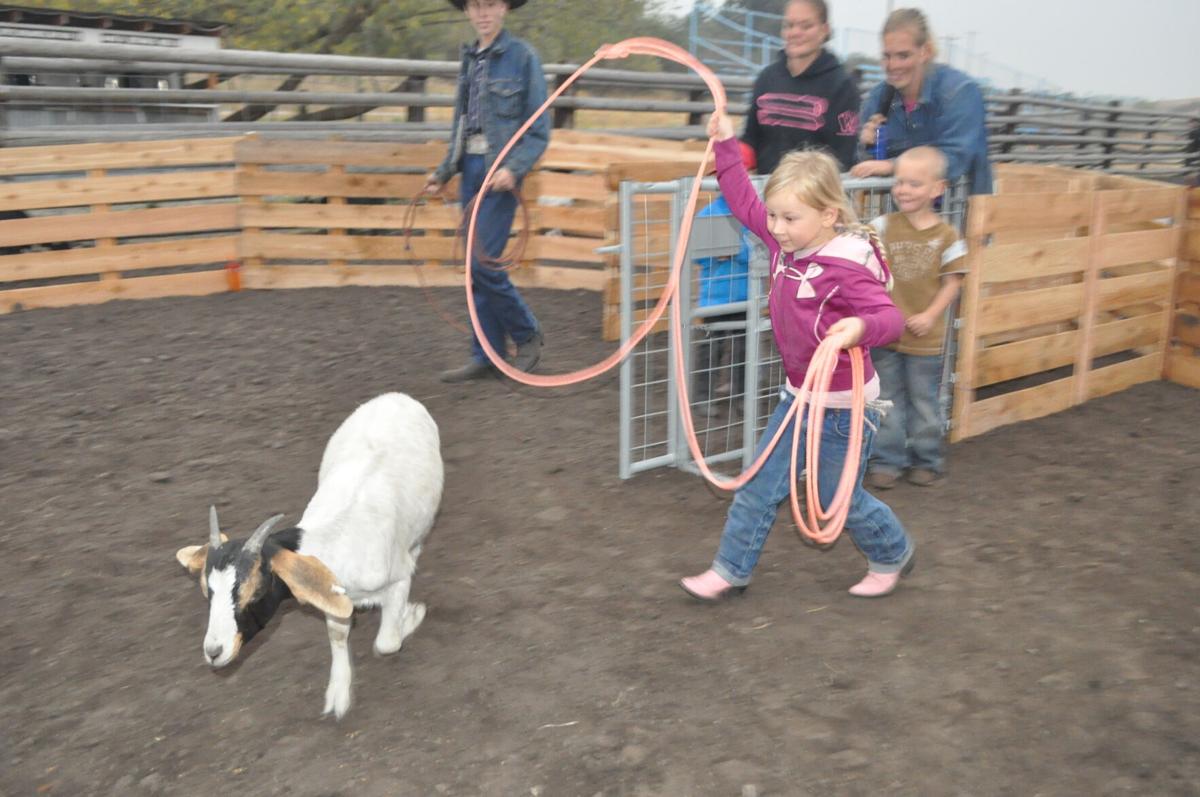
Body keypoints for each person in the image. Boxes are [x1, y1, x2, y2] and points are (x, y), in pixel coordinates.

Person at [679, 109, 915, 602]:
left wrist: (860, 327)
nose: (777, 228)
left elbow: (889, 319)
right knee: (759, 485)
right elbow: (744, 201)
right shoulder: (786, 244)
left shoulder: (846, 266)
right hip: (797, 397)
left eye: (790, 218)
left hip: (844, 408)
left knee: (835, 500)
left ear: (828, 215)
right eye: (775, 216)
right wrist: (726, 145)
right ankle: (730, 569)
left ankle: (893, 551)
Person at [425, 0, 549, 383]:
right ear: (466, 11)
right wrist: (445, 170)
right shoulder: (470, 59)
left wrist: (514, 168)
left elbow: (539, 129)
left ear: (504, 9)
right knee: (472, 268)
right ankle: (487, 355)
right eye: (475, 5)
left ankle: (527, 333)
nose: (482, 12)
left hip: (500, 174)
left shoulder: (524, 58)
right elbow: (461, 125)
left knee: (484, 263)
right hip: (472, 170)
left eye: (490, 4)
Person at [865, 147, 966, 490]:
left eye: (914, 183)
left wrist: (929, 315)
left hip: (926, 337)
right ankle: (886, 461)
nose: (903, 190)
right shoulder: (880, 227)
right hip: (886, 336)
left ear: (938, 189)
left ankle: (927, 460)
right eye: (899, 182)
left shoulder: (948, 237)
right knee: (886, 400)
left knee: (924, 401)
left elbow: (953, 282)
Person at [850, 8, 993, 196]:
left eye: (903, 55)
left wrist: (892, 165)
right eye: (886, 56)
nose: (892, 65)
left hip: (960, 215)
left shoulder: (959, 92)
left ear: (925, 51)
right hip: (903, 216)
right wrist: (866, 146)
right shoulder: (878, 98)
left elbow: (956, 158)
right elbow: (867, 167)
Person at [741, 0, 861, 173]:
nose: (795, 32)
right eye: (789, 25)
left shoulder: (842, 87)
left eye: (806, 26)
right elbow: (750, 140)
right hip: (764, 193)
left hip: (813, 196)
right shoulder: (767, 78)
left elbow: (843, 158)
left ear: (824, 30)